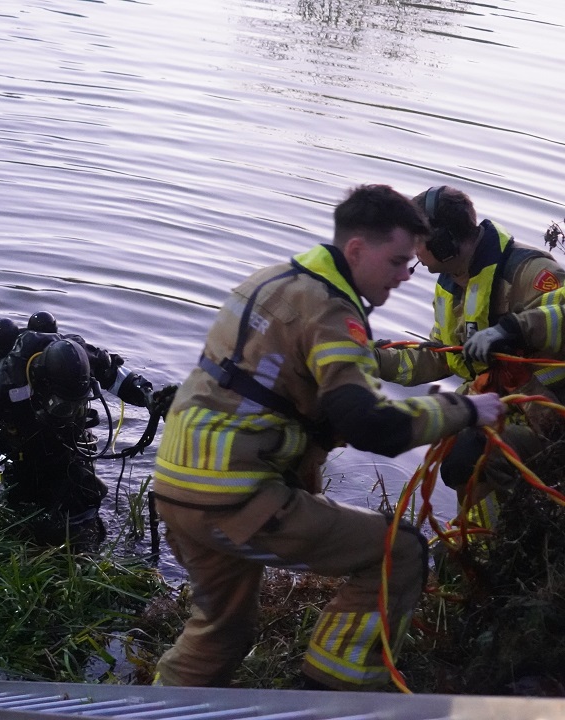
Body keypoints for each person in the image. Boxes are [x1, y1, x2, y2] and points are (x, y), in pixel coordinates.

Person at [151, 184, 506, 692]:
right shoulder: (334, 311)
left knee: (221, 630)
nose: (406, 276)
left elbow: (281, 396)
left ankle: (153, 706)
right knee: (400, 551)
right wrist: (465, 408)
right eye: (398, 261)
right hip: (236, 495)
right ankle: (325, 693)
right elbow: (372, 427)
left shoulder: (271, 280)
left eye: (412, 263)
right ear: (357, 250)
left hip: (177, 486)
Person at [376, 186, 565, 531]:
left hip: (553, 418)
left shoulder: (528, 273)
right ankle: (479, 541)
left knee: (477, 454)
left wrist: (513, 329)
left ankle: (507, 546)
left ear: (444, 241)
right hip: (505, 409)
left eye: (418, 241)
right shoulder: (454, 281)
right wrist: (374, 361)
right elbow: (443, 357)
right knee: (453, 449)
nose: (411, 251)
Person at [0, 311, 178, 530]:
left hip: (67, 448)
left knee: (85, 503)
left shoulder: (82, 357)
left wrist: (151, 399)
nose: (69, 412)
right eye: (62, 406)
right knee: (23, 513)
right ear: (42, 384)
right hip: (24, 452)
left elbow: (118, 377)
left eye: (76, 405)